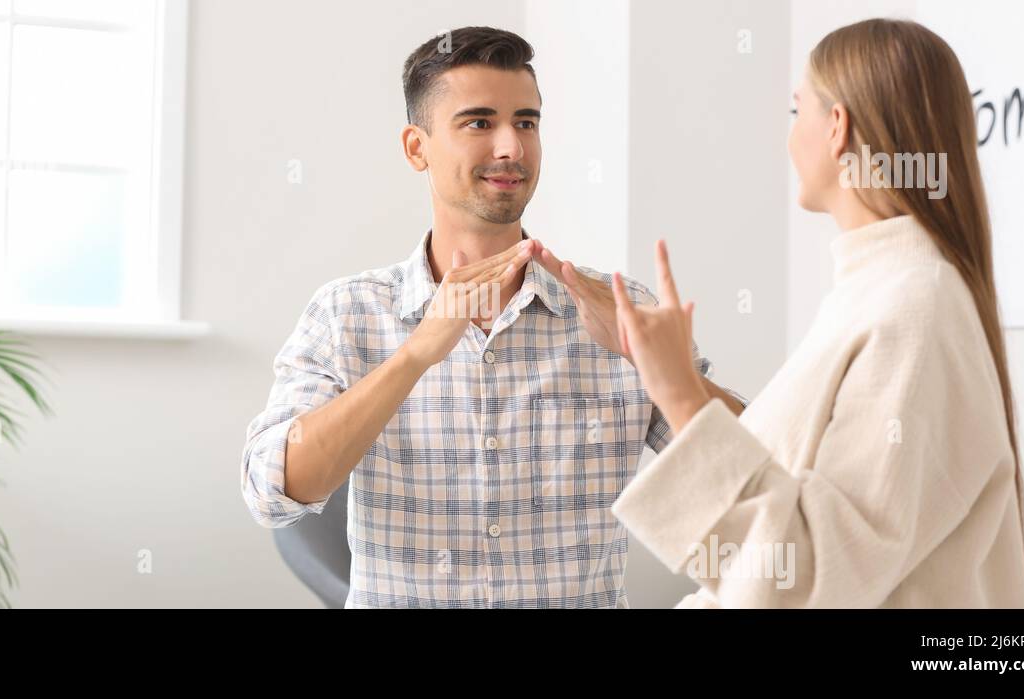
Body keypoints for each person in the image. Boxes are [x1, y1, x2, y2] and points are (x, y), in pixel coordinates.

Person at [240, 26, 745, 608]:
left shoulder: (618, 310)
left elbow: (756, 474)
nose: (512, 147)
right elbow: (271, 494)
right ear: (416, 147)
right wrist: (415, 355)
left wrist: (662, 369)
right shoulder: (347, 313)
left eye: (526, 122)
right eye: (479, 122)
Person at [601, 18, 1024, 607]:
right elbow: (786, 528)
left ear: (837, 128)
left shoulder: (913, 309)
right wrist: (671, 380)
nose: (787, 138)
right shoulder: (880, 294)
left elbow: (809, 582)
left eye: (795, 112)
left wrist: (678, 391)